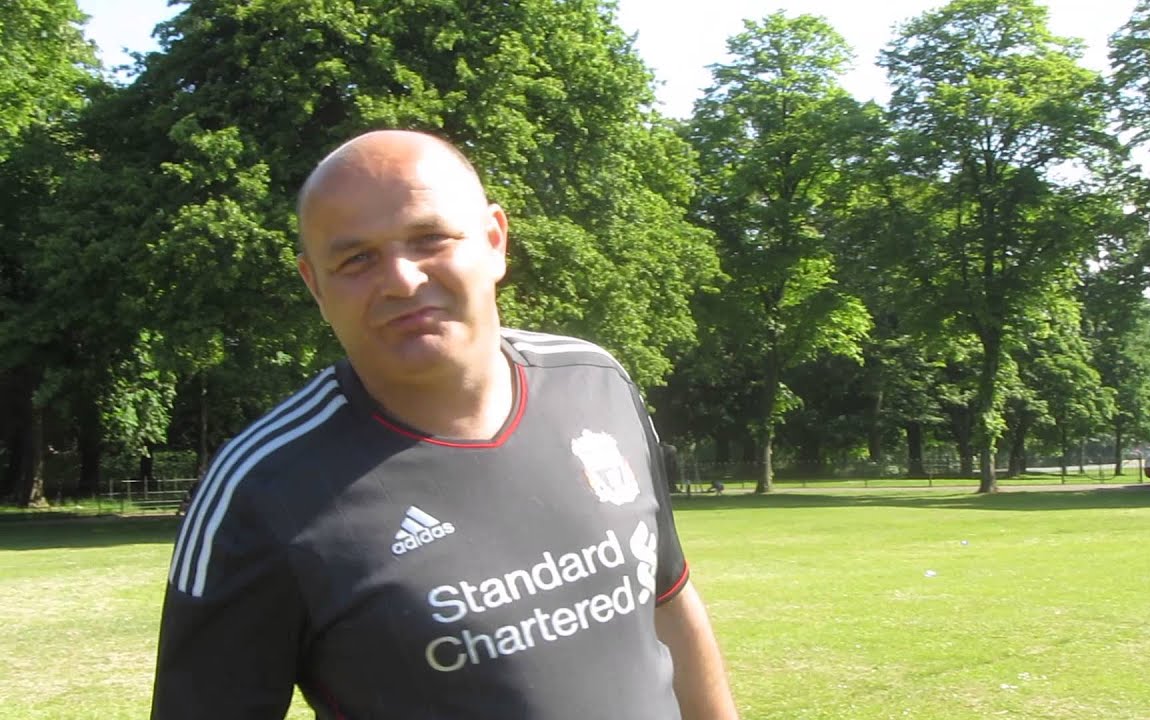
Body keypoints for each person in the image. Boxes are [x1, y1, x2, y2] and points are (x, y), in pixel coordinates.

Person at [150, 130, 738, 720]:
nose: (402, 280)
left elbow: (667, 597)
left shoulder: (596, 382)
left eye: (429, 238)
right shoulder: (261, 490)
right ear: (315, 285)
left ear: (493, 240)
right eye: (356, 259)